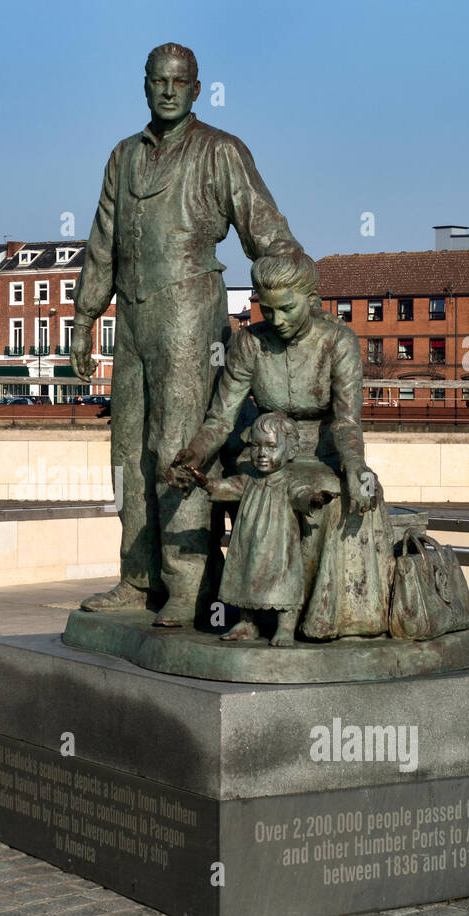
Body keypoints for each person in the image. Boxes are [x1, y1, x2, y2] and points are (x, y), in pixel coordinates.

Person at [69, 42, 301, 627]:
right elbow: (102, 243)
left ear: (197, 88)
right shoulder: (122, 158)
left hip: (190, 314)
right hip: (133, 322)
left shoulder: (221, 151)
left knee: (178, 446)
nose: (168, 90)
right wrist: (84, 317)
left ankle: (189, 582)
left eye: (180, 81)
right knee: (127, 450)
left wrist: (294, 300)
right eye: (158, 81)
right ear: (144, 86)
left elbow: (266, 230)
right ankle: (137, 575)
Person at [169, 250, 395, 639]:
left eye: (287, 309)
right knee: (260, 498)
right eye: (268, 311)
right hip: (265, 455)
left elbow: (346, 421)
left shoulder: (339, 341)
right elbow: (221, 418)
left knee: (334, 496)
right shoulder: (248, 343)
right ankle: (256, 615)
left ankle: (321, 618)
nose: (277, 320)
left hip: (323, 453)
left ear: (310, 299)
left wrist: (356, 465)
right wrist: (196, 454)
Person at [185, 411, 338, 646]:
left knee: (284, 584)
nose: (261, 453)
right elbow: (224, 488)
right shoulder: (248, 481)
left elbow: (302, 495)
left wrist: (315, 499)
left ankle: (285, 627)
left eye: (270, 446)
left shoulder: (288, 482)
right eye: (255, 446)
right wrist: (205, 482)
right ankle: (248, 623)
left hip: (279, 547)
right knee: (244, 577)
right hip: (247, 545)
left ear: (291, 451)